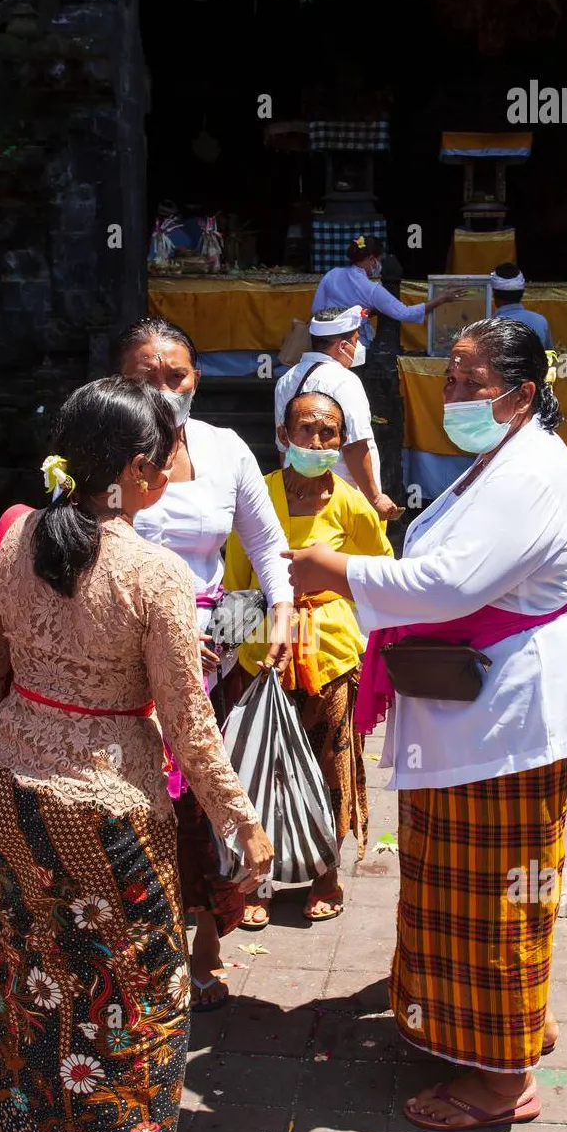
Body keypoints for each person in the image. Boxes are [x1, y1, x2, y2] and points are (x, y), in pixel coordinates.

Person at [0, 378, 272, 1132]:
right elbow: (189, 728)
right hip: (101, 809)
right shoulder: (154, 574)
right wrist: (242, 822)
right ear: (137, 471)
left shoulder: (12, 539)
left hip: (4, 787)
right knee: (127, 986)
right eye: (171, 453)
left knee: (30, 966)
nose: (180, 465)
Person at [283, 316, 567, 1131]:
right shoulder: (496, 460)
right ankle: (504, 1028)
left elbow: (449, 583)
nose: (451, 393)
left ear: (522, 395)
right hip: (470, 709)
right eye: (449, 378)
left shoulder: (532, 469)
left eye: (468, 382)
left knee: (498, 895)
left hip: (509, 715)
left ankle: (503, 1082)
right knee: (453, 886)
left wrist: (336, 571)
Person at [113, 318, 293, 1011]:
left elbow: (267, 549)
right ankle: (143, 951)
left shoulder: (223, 449)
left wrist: (277, 612)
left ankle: (206, 945)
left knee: (209, 814)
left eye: (176, 376)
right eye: (143, 378)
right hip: (127, 674)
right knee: (143, 817)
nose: (163, 390)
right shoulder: (99, 454)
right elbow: (81, 560)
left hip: (215, 659)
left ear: (197, 378)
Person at [224, 390, 393, 927]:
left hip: (334, 656)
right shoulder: (254, 497)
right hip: (260, 656)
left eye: (329, 433)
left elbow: (383, 578)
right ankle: (259, 878)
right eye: (305, 430)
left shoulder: (352, 503)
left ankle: (326, 872)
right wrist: (229, 657)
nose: (317, 442)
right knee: (258, 769)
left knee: (331, 769)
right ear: (282, 435)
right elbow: (235, 581)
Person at [274, 306, 401, 522]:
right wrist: (375, 498)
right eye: (356, 339)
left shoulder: (286, 379)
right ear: (343, 346)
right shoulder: (344, 381)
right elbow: (355, 446)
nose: (358, 347)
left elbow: (283, 446)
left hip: (297, 498)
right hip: (342, 501)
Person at [312, 234, 466, 347]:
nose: (379, 265)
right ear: (372, 259)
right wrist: (441, 299)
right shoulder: (371, 289)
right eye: (379, 260)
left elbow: (316, 310)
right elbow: (406, 313)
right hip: (353, 345)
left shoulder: (332, 274)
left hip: (325, 342)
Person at [491, 262, 553, 348]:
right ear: (522, 293)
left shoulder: (489, 328)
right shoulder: (541, 321)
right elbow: (549, 357)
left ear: (494, 295)